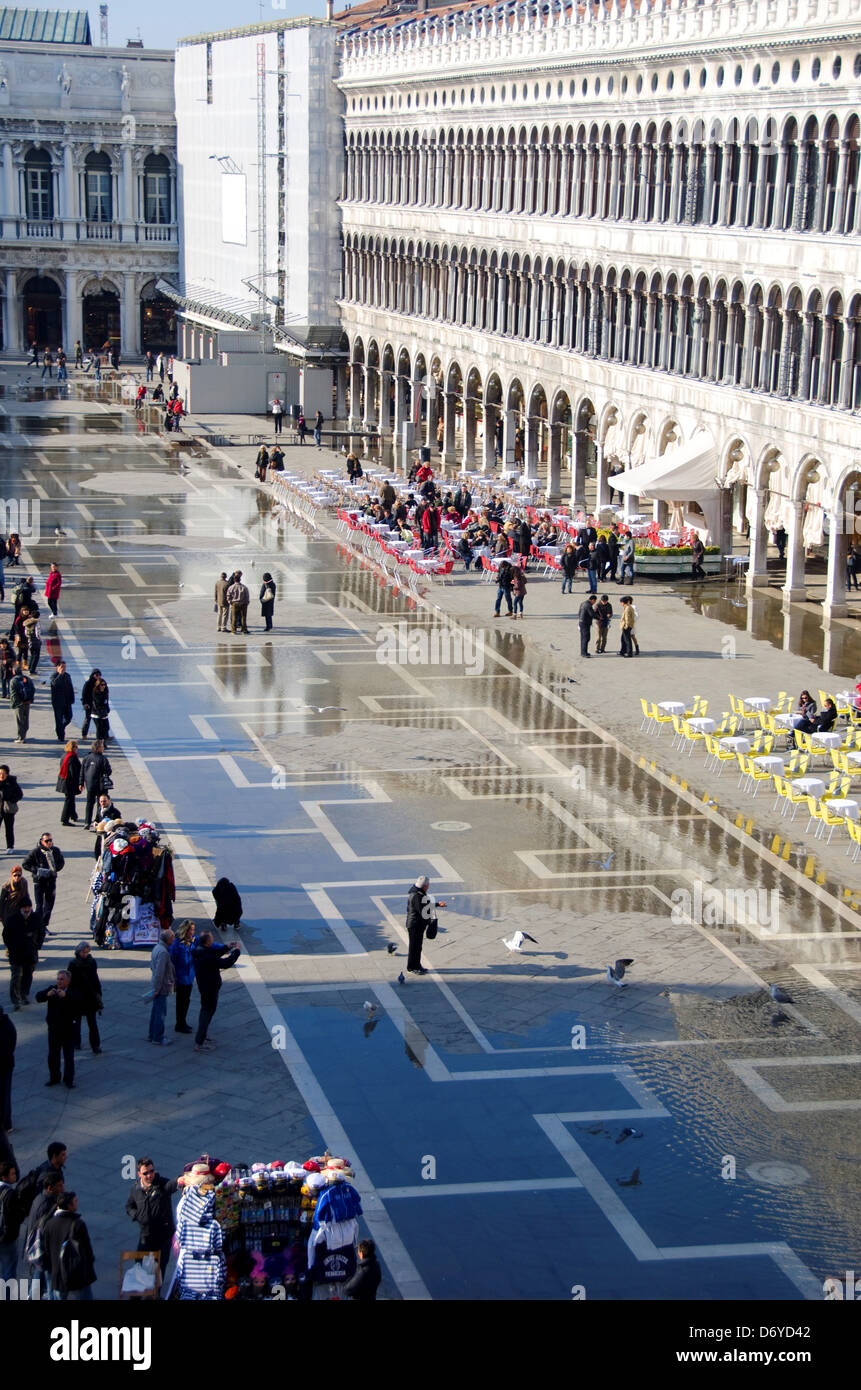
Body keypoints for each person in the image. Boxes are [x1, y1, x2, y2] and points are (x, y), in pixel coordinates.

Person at [125, 1158, 179, 1276]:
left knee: (159, 1269)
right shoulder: (136, 1189)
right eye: (145, 1173)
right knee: (139, 1266)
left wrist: (182, 1179)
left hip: (163, 1237)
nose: (149, 1175)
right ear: (139, 1174)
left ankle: (156, 1293)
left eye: (151, 1171)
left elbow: (173, 1184)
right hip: (146, 1236)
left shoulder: (161, 1184)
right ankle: (140, 1291)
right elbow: (129, 1206)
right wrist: (137, 1216)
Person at [192, 932, 240, 1052]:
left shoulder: (199, 951)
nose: (213, 941)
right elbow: (225, 963)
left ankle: (203, 1036)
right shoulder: (207, 956)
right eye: (212, 939)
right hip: (210, 988)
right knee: (207, 1012)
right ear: (207, 942)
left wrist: (227, 947)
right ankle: (199, 1042)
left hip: (203, 986)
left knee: (205, 1010)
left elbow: (214, 955)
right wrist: (236, 952)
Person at [42, 1191, 96, 1300]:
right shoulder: (78, 1224)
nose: (77, 1203)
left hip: (58, 1273)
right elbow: (87, 1250)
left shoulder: (49, 1224)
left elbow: (46, 1249)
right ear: (69, 1206)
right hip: (77, 1274)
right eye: (75, 1201)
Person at [35, 970, 80, 1089]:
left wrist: (67, 996)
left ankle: (68, 1079)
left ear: (68, 981)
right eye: (58, 979)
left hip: (68, 1029)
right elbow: (38, 997)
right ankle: (54, 1077)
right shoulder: (53, 989)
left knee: (68, 1056)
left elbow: (80, 1003)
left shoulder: (73, 991)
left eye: (62, 979)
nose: (59, 981)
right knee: (53, 1055)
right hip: (54, 1029)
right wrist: (47, 995)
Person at [25, 1170, 64, 1296]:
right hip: (43, 1250)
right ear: (50, 1188)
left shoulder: (41, 1199)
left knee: (38, 1277)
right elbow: (45, 1229)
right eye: (59, 1185)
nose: (63, 1188)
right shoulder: (46, 1204)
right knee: (49, 1282)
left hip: (39, 1251)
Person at [0, 1159, 40, 1279]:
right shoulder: (9, 1194)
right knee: (9, 1269)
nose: (15, 1175)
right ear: (4, 1177)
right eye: (12, 1173)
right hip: (6, 1237)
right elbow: (15, 1217)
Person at [2, 899, 41, 1010]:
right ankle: (15, 1000)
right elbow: (6, 935)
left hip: (30, 953)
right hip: (16, 954)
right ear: (20, 909)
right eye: (24, 908)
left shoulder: (36, 918)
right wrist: (11, 947)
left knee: (28, 975)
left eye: (28, 907)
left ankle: (24, 994)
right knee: (16, 976)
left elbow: (41, 932)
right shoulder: (12, 919)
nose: (27, 909)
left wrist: (37, 945)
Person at [404, 874, 445, 976]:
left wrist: (437, 904)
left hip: (417, 924)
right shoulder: (417, 896)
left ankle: (417, 965)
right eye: (428, 885)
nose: (428, 886)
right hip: (415, 925)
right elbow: (423, 910)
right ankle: (411, 967)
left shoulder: (418, 893)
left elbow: (424, 906)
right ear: (425, 886)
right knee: (414, 947)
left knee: (418, 947)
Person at [23, 833, 64, 927]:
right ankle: (37, 924)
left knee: (49, 905)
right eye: (47, 841)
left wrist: (55, 868)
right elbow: (25, 864)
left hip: (51, 881)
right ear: (42, 841)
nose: (49, 842)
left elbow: (61, 862)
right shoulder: (36, 852)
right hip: (39, 881)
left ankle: (44, 924)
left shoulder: (55, 850)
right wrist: (36, 870)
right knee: (39, 905)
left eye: (50, 840)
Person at [68, 943, 102, 1055]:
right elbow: (70, 982)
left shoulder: (92, 962)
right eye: (83, 952)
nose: (85, 954)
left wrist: (98, 993)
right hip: (78, 996)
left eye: (87, 952)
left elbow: (95, 978)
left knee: (92, 1023)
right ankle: (76, 1042)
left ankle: (95, 1045)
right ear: (78, 952)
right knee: (76, 1022)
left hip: (89, 996)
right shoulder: (73, 964)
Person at [148, 929, 176, 1047]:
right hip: (162, 986)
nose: (174, 940)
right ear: (168, 939)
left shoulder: (157, 948)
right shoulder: (164, 952)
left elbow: (152, 966)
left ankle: (152, 1034)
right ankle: (158, 1037)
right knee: (160, 1012)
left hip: (157, 984)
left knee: (155, 1011)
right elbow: (160, 972)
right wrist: (157, 989)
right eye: (172, 938)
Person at [169, 921, 196, 1035]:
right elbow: (172, 960)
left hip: (189, 977)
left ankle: (182, 1022)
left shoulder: (193, 940)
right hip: (181, 978)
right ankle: (180, 1024)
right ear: (186, 930)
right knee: (181, 1002)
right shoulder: (177, 944)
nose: (193, 932)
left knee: (186, 1000)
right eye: (191, 930)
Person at [80, 739, 112, 830]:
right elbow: (108, 771)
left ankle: (87, 822)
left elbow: (82, 771)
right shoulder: (103, 759)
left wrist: (81, 782)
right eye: (102, 747)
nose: (103, 748)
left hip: (90, 785)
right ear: (98, 748)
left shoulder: (87, 758)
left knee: (89, 803)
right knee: (101, 804)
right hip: (100, 785)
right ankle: (98, 822)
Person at [9, 663, 35, 744]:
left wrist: (17, 702)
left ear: (14, 672)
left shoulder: (13, 681)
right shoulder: (27, 679)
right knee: (26, 719)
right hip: (27, 702)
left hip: (19, 704)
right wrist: (30, 700)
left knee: (19, 720)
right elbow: (33, 689)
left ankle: (21, 737)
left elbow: (13, 694)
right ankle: (24, 735)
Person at [50, 660, 74, 742]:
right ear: (57, 667)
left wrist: (72, 699)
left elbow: (70, 688)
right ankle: (61, 736)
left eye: (64, 667)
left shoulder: (67, 676)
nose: (63, 669)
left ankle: (60, 728)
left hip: (67, 701)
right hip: (58, 702)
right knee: (59, 719)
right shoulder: (54, 676)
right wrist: (60, 674)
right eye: (62, 667)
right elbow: (55, 684)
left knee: (69, 717)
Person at [0, 766, 23, 851]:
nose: (1, 776)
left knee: (9, 828)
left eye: (3, 774)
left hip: (8, 810)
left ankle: (10, 846)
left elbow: (20, 794)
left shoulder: (11, 782)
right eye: (0, 774)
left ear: (7, 774)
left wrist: (11, 800)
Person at [0, 1005, 14, 1134]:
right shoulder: (7, 1025)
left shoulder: (6, 1027)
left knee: (4, 1095)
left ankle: (6, 1123)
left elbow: (7, 1048)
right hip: (6, 1064)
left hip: (4, 1066)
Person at [80, 668, 103, 739]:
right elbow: (84, 694)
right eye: (96, 675)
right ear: (93, 675)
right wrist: (84, 703)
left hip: (97, 705)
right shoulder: (88, 683)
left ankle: (102, 735)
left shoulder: (100, 683)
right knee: (88, 719)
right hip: (89, 705)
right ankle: (84, 734)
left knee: (100, 721)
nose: (98, 676)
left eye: (99, 675)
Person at [91, 676, 110, 741]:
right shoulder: (95, 693)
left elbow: (106, 702)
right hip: (96, 713)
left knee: (106, 727)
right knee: (99, 728)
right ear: (98, 685)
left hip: (104, 713)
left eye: (104, 684)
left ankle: (104, 741)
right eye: (102, 685)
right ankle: (99, 742)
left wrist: (107, 709)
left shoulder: (105, 692)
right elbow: (98, 703)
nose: (103, 686)